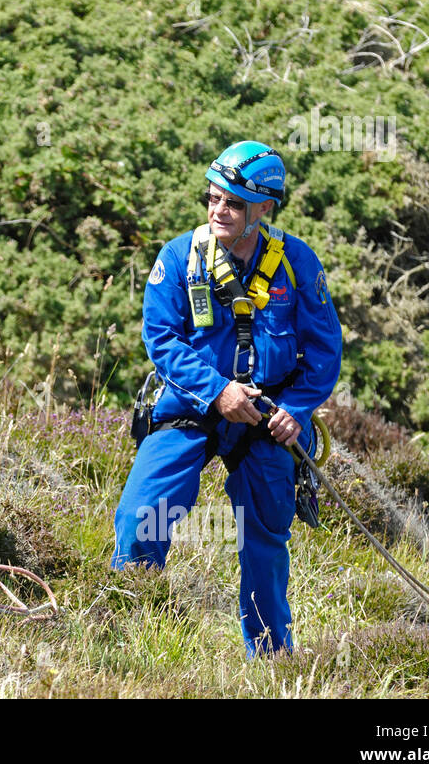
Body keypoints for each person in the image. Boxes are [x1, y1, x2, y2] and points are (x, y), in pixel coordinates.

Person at [111, 141, 342, 654]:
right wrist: (218, 391)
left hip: (267, 418)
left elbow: (325, 352)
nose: (220, 211)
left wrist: (297, 411)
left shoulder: (297, 263)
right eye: (213, 198)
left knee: (264, 539)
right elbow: (162, 339)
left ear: (264, 208)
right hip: (192, 408)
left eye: (234, 204)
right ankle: (122, 639)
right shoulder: (178, 258)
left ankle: (271, 659)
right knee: (140, 513)